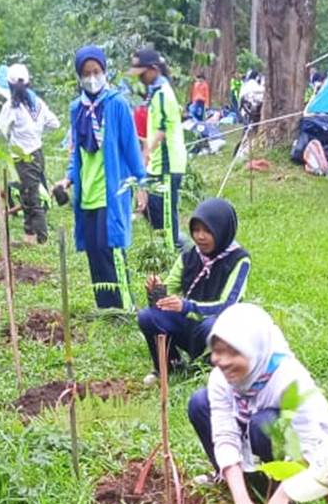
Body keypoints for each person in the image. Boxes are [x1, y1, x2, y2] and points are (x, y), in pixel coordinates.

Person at [186, 304, 328, 504]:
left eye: (233, 353)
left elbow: (311, 445)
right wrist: (242, 501)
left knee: (263, 423)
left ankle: (277, 495)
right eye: (217, 351)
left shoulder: (289, 380)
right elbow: (225, 435)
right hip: (249, 437)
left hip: (301, 455)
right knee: (199, 403)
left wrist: (284, 494)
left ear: (254, 351)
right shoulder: (220, 378)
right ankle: (237, 481)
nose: (222, 361)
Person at [138, 198, 251, 383]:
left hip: (216, 326)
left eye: (208, 231)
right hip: (189, 322)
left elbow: (227, 305)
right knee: (147, 316)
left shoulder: (239, 260)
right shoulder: (189, 255)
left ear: (222, 230)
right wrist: (156, 290)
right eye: (196, 230)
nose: (200, 236)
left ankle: (211, 366)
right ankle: (169, 365)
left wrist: (187, 306)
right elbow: (169, 289)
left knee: (212, 326)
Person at [65, 45, 143, 310]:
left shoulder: (117, 104)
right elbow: (76, 151)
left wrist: (140, 184)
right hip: (87, 192)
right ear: (79, 76)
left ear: (104, 71)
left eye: (96, 71)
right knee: (94, 252)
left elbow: (131, 147)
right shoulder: (77, 109)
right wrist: (68, 178)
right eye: (86, 73)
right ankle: (105, 308)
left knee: (112, 250)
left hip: (112, 192)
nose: (92, 78)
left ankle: (123, 307)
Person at [0, 64, 61, 245]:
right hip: (38, 153)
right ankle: (29, 236)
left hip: (22, 158)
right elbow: (54, 123)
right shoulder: (37, 103)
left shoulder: (11, 107)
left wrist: (13, 132)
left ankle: (41, 238)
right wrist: (36, 130)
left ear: (10, 85)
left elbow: (0, 130)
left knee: (31, 198)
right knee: (29, 193)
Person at [131, 47, 188, 253]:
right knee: (149, 207)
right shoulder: (154, 93)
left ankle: (178, 251)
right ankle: (177, 245)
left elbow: (162, 130)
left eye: (142, 73)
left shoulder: (163, 93)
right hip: (157, 162)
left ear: (154, 69)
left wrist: (146, 154)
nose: (140, 77)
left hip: (167, 162)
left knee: (164, 212)